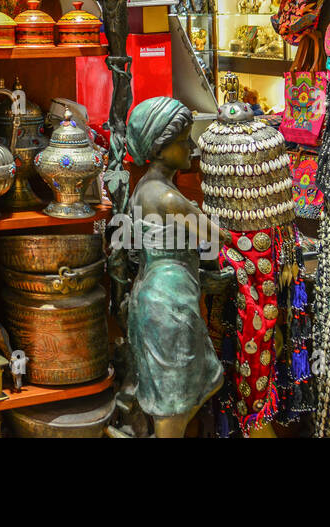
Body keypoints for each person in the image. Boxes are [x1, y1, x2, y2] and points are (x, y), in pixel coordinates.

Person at [122, 96, 229, 438]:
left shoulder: (146, 187)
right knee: (174, 403)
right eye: (184, 141)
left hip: (159, 289)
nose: (192, 147)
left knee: (204, 380)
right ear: (161, 147)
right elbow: (215, 236)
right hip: (169, 299)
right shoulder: (167, 198)